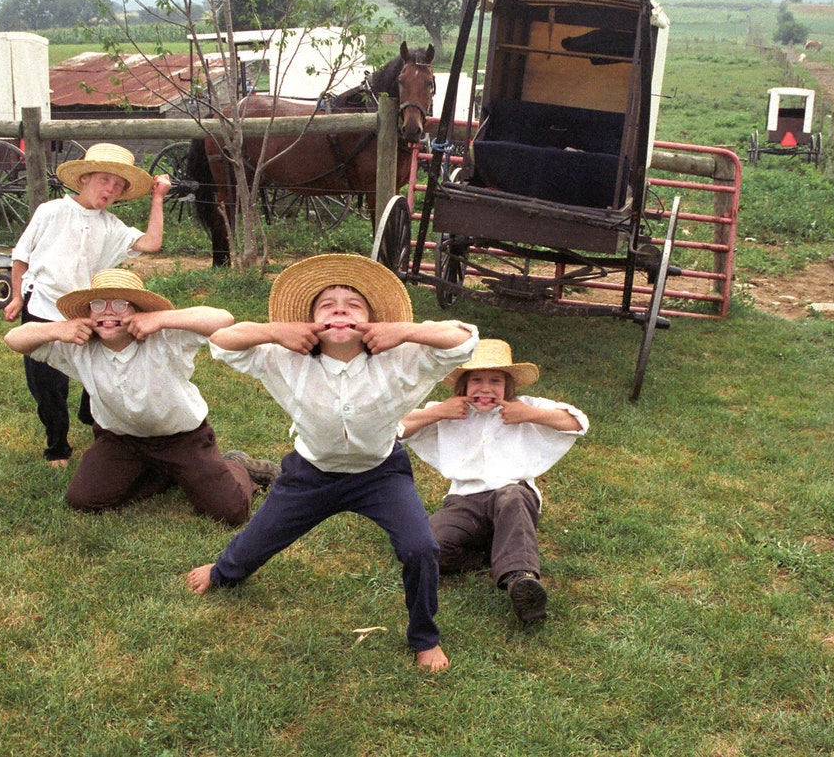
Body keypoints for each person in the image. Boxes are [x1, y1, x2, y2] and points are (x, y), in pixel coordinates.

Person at [185, 254, 478, 671]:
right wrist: (276, 332)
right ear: (309, 323)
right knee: (260, 537)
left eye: (353, 304)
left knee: (420, 547)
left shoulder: (404, 356)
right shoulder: (284, 355)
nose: (340, 308)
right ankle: (224, 572)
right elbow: (221, 342)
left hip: (380, 473)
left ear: (373, 322)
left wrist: (404, 331)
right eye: (327, 303)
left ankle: (425, 638)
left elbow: (465, 338)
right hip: (310, 473)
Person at [4, 268, 278, 521]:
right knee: (83, 499)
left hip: (182, 440)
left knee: (228, 511)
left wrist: (160, 318)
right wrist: (56, 329)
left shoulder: (166, 337)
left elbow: (222, 319)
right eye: (98, 305)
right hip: (120, 440)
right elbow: (14, 340)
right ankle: (163, 473)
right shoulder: (79, 346)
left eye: (120, 304)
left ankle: (237, 465)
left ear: (138, 311)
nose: (108, 312)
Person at [3, 143, 171, 467]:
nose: (110, 189)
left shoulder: (111, 226)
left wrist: (158, 198)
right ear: (84, 179)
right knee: (47, 384)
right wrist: (16, 296)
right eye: (105, 180)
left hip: (84, 310)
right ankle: (57, 447)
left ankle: (93, 418)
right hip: (43, 306)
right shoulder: (51, 211)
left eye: (118, 185)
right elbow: (21, 256)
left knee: (98, 370)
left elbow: (152, 242)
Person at [400, 339, 588, 625]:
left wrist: (531, 415)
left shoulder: (524, 407)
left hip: (512, 496)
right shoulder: (448, 410)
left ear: (508, 386)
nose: (485, 388)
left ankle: (520, 579)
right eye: (476, 379)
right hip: (464, 502)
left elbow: (578, 423)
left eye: (495, 380)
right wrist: (437, 412)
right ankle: (493, 554)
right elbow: (396, 428)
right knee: (424, 549)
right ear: (463, 384)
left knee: (512, 496)